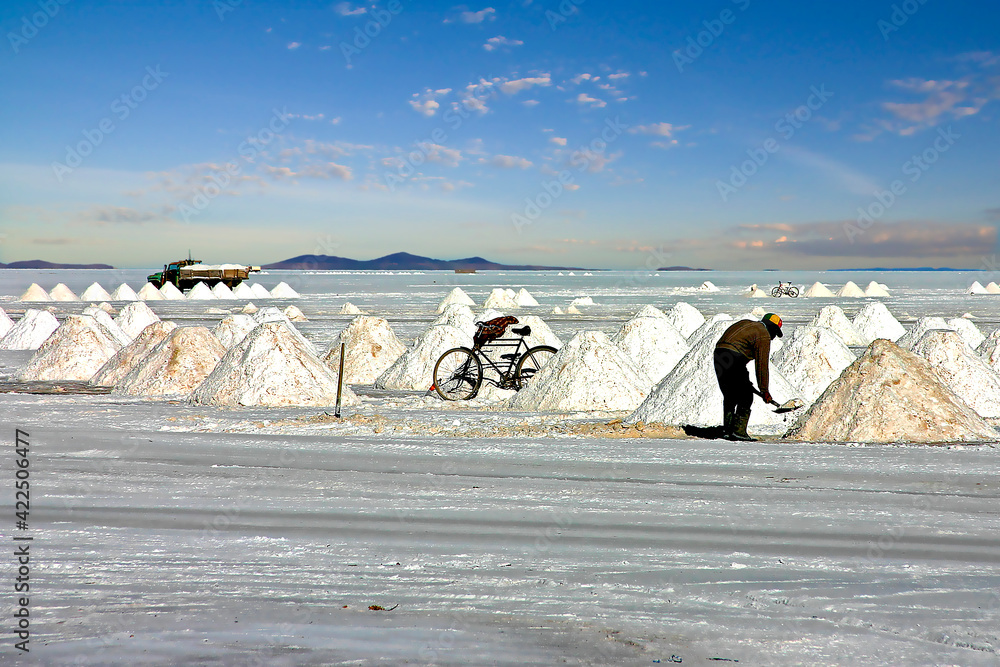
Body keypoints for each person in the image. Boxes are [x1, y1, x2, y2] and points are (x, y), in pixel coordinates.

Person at [713, 313, 783, 441]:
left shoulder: (746, 323)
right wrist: (764, 390)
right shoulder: (763, 335)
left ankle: (728, 431)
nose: (773, 338)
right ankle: (738, 432)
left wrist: (745, 381)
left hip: (719, 354)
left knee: (730, 395)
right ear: (772, 328)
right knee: (745, 396)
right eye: (775, 333)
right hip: (734, 356)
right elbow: (761, 365)